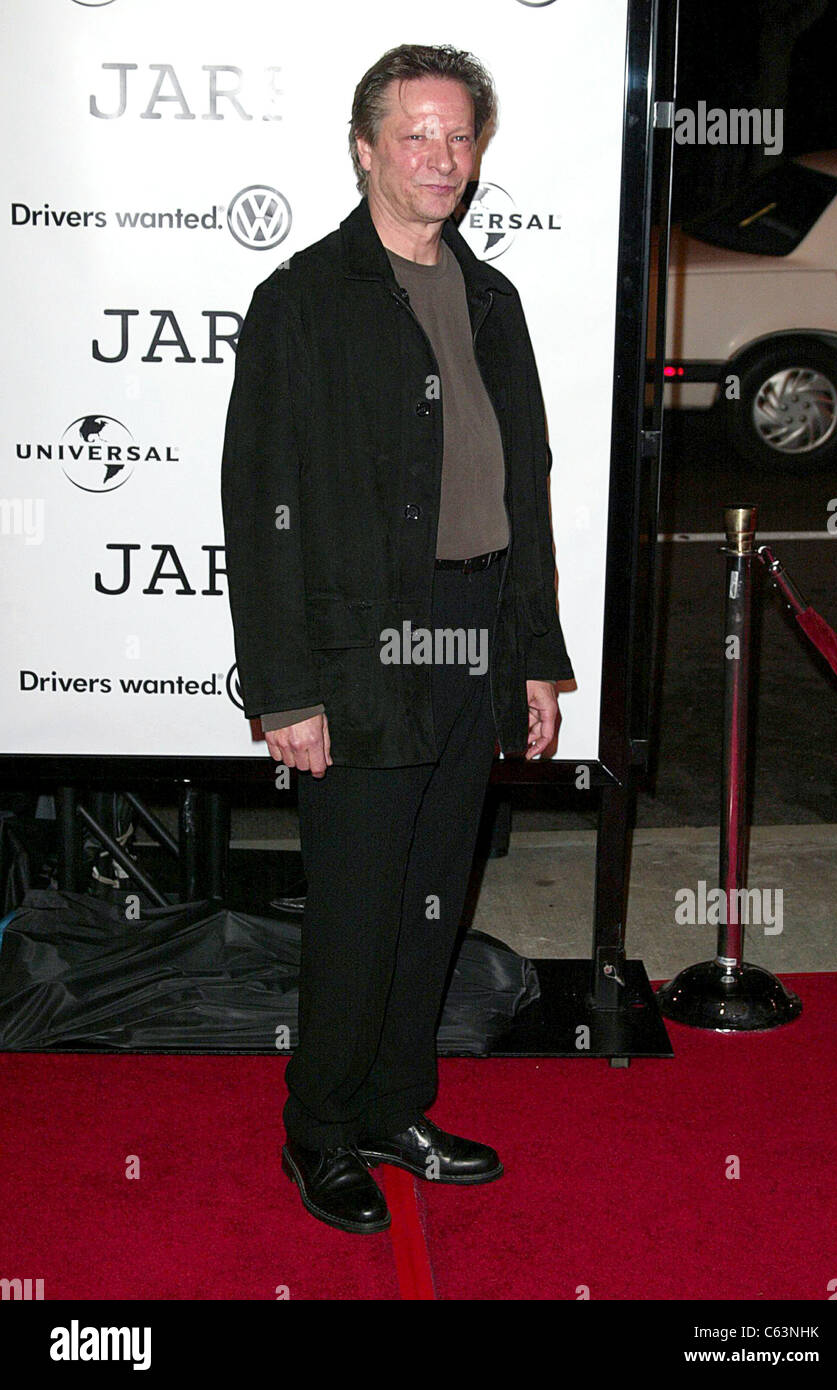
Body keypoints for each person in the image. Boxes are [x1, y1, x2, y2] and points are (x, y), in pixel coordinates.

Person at [221, 43, 573, 1235]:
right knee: (359, 908)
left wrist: (534, 653)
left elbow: (523, 489)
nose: (440, 157)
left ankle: (393, 1107)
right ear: (364, 148)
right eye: (415, 134)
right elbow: (258, 504)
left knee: (432, 898)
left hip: (473, 636)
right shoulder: (302, 300)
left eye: (458, 135)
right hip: (363, 645)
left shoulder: (491, 298)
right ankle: (318, 1129)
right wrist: (283, 690)